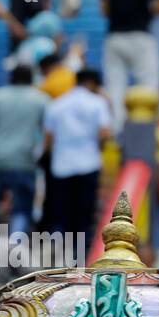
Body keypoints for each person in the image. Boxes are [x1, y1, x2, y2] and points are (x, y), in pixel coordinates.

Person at [42, 68, 112, 256]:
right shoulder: (97, 103)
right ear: (93, 84)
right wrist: (98, 148)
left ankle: (57, 257)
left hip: (61, 166)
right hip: (88, 164)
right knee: (84, 215)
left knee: (61, 214)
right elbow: (104, 133)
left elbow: (48, 140)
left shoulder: (57, 104)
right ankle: (81, 255)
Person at [99, 0, 159, 131]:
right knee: (148, 83)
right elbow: (158, 5)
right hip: (140, 36)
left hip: (115, 36)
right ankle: (146, 128)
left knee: (115, 88)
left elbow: (104, 10)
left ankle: (117, 131)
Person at [0, 64, 48, 239]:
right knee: (22, 208)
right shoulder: (41, 99)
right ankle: (15, 247)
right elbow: (49, 129)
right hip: (24, 161)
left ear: (10, 78)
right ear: (31, 79)